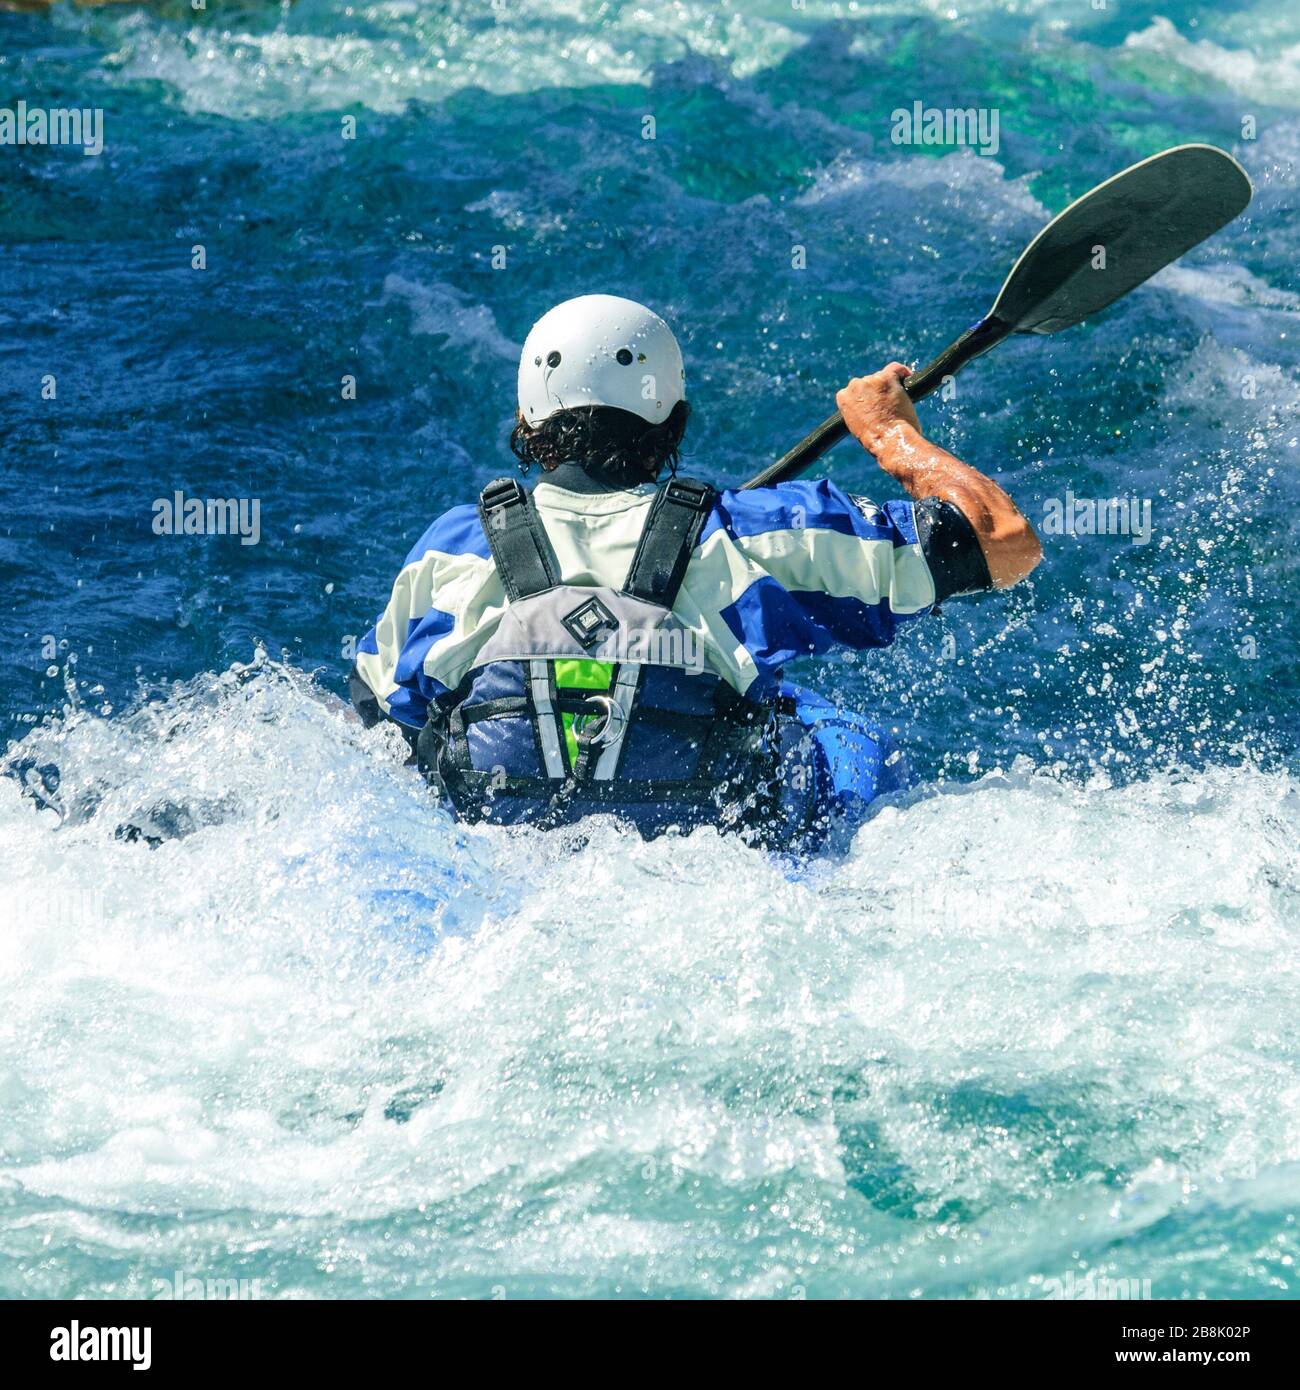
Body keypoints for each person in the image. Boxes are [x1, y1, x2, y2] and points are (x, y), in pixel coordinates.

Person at [349, 294, 1041, 849]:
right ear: (673, 425)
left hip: (505, 867)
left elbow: (378, 725)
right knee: (837, 736)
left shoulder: (449, 555)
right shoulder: (748, 537)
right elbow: (1001, 541)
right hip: (705, 875)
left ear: (529, 424)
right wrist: (890, 433)